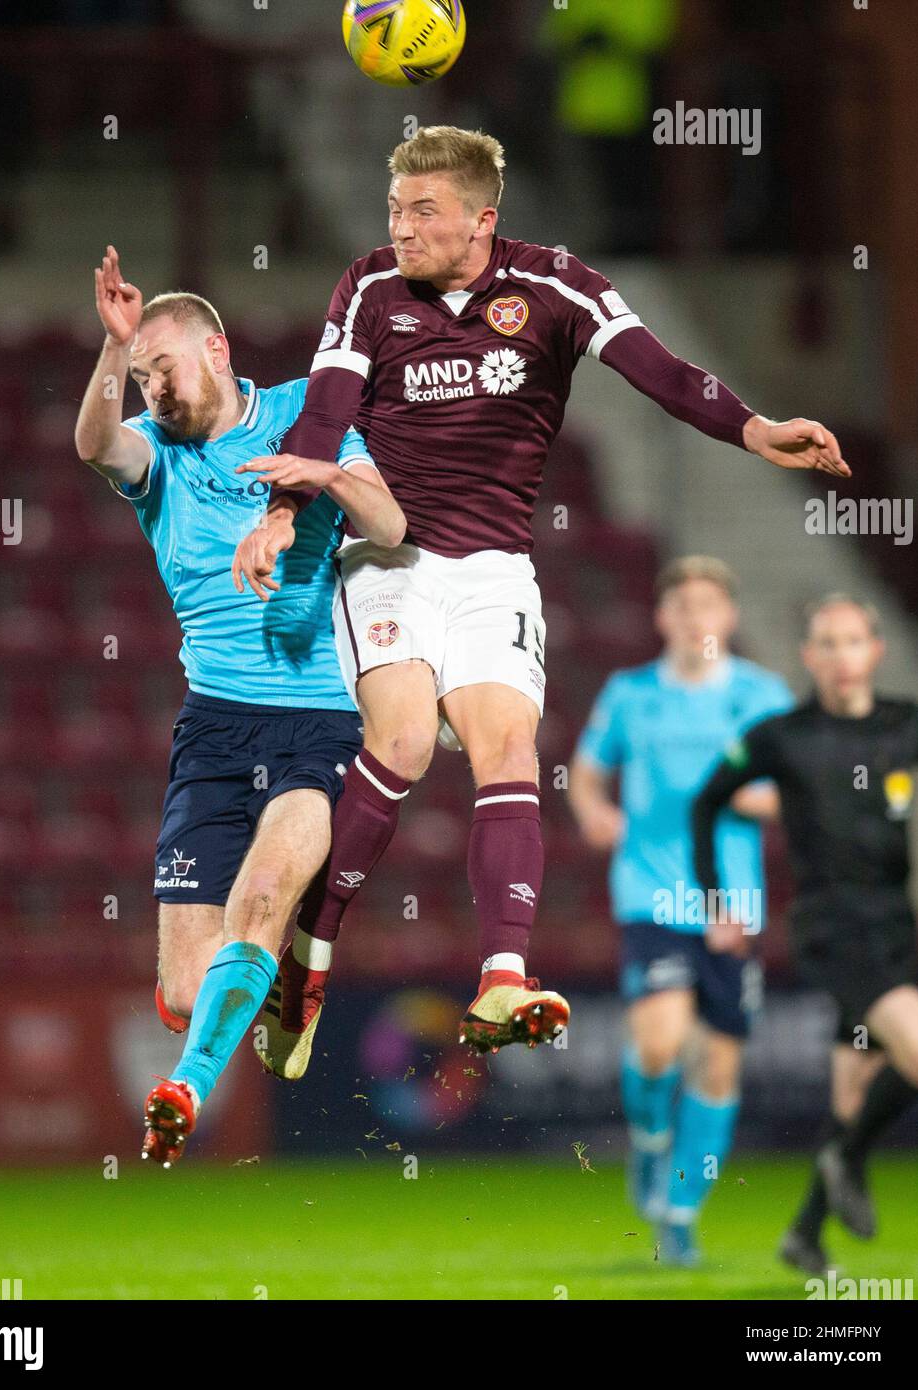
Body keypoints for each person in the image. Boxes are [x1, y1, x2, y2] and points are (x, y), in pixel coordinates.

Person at [231, 124, 848, 1078]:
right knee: (398, 741)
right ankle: (312, 945)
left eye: (423, 212)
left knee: (508, 749)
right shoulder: (368, 289)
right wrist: (281, 512)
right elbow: (324, 412)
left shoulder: (555, 284)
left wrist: (755, 429)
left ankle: (502, 977)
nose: (400, 228)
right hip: (388, 555)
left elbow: (661, 370)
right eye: (395, 209)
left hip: (493, 571)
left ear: (482, 220)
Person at [73, 246, 405, 1165]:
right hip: (214, 728)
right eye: (140, 377)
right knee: (185, 987)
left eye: (160, 367)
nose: (152, 389)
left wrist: (313, 485)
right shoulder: (157, 458)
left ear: (216, 350)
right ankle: (284, 970)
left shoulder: (308, 411)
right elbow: (97, 446)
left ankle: (183, 1087)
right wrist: (111, 353)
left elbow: (390, 525)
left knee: (261, 897)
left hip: (323, 718)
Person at [693, 594, 918, 1273]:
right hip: (831, 927)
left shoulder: (905, 724)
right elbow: (707, 801)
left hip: (894, 924)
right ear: (807, 657)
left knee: (851, 1094)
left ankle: (803, 1234)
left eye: (852, 641)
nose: (839, 656)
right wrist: (717, 904)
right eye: (825, 643)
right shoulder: (781, 736)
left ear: (875, 649)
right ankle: (846, 1158)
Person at [569, 556, 792, 1265]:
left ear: (727, 616)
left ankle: (680, 1212)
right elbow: (585, 768)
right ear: (663, 616)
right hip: (650, 892)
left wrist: (749, 797)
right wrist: (593, 809)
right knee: (660, 1043)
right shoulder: (631, 694)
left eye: (708, 606)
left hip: (731, 906)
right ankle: (648, 1139)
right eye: (683, 606)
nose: (696, 618)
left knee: (717, 1070)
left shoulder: (761, 696)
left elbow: (796, 788)